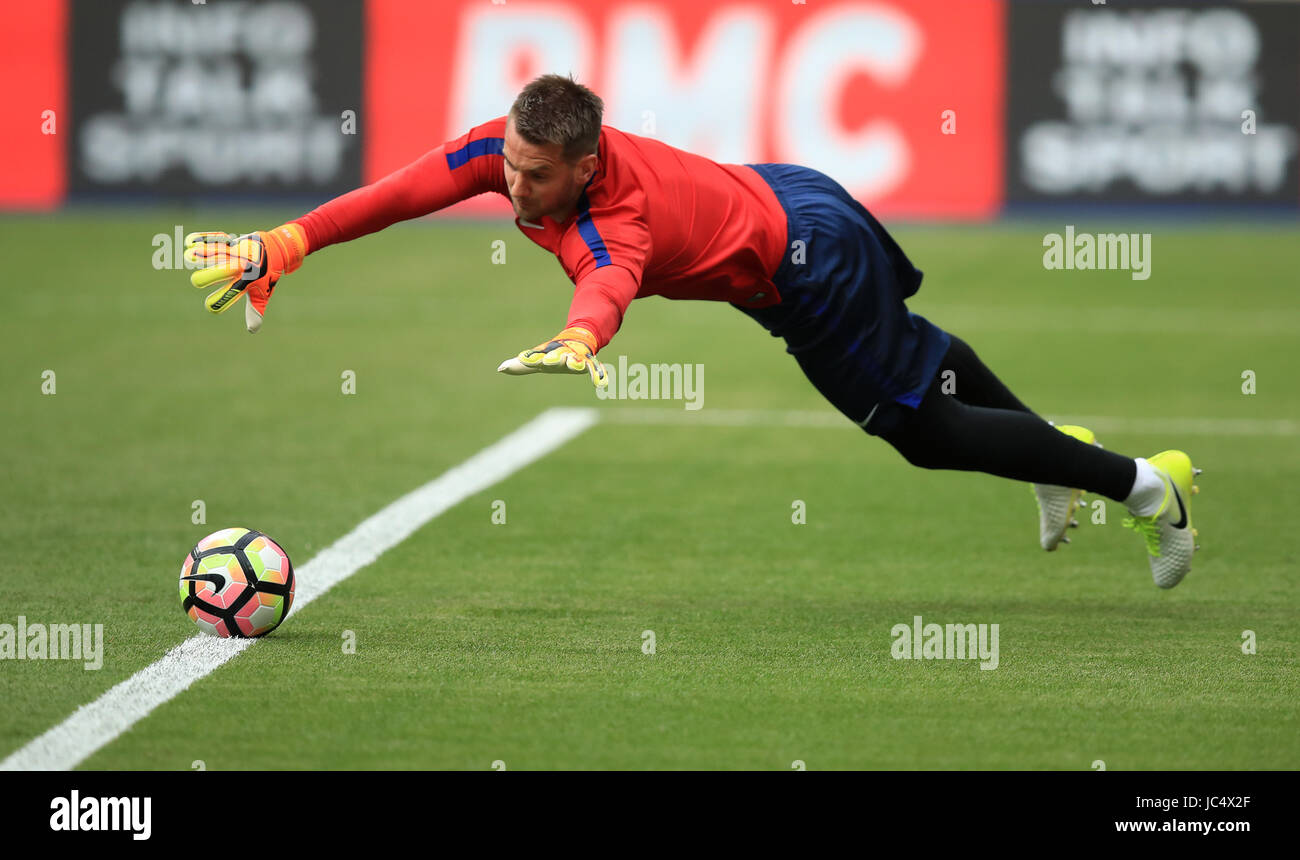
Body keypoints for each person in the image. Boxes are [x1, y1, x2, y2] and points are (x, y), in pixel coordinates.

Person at [182, 74, 1201, 588]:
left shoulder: (607, 219)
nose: (513, 185)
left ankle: (1148, 485)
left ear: (583, 167)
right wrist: (288, 241)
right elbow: (409, 189)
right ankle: (1049, 455)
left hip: (804, 259)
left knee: (918, 427)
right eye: (511, 165)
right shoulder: (510, 150)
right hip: (785, 197)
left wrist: (582, 341)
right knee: (919, 354)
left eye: (536, 177)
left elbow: (606, 284)